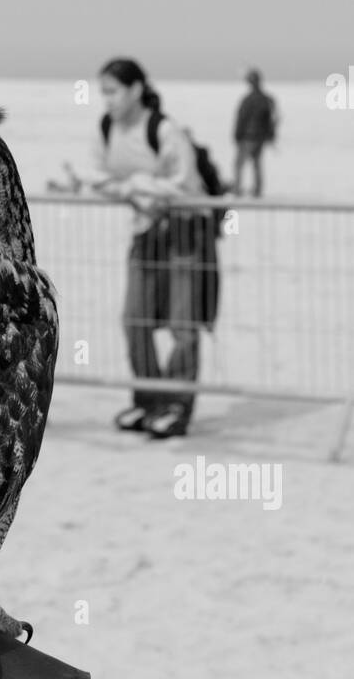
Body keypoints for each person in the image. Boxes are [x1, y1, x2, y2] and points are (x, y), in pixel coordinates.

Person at [91, 58, 218, 440]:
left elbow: (185, 183)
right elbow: (98, 175)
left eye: (113, 91)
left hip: (184, 230)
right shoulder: (106, 127)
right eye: (103, 92)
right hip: (145, 230)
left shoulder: (165, 130)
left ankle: (177, 407)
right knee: (136, 319)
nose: (107, 100)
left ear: (135, 89)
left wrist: (137, 185)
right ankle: (148, 401)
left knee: (183, 324)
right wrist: (132, 189)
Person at [233, 69, 277, 197]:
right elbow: (271, 119)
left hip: (248, 137)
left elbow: (242, 118)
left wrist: (237, 135)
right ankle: (257, 190)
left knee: (239, 164)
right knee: (256, 164)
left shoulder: (249, 100)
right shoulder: (266, 99)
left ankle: (237, 189)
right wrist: (270, 135)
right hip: (260, 138)